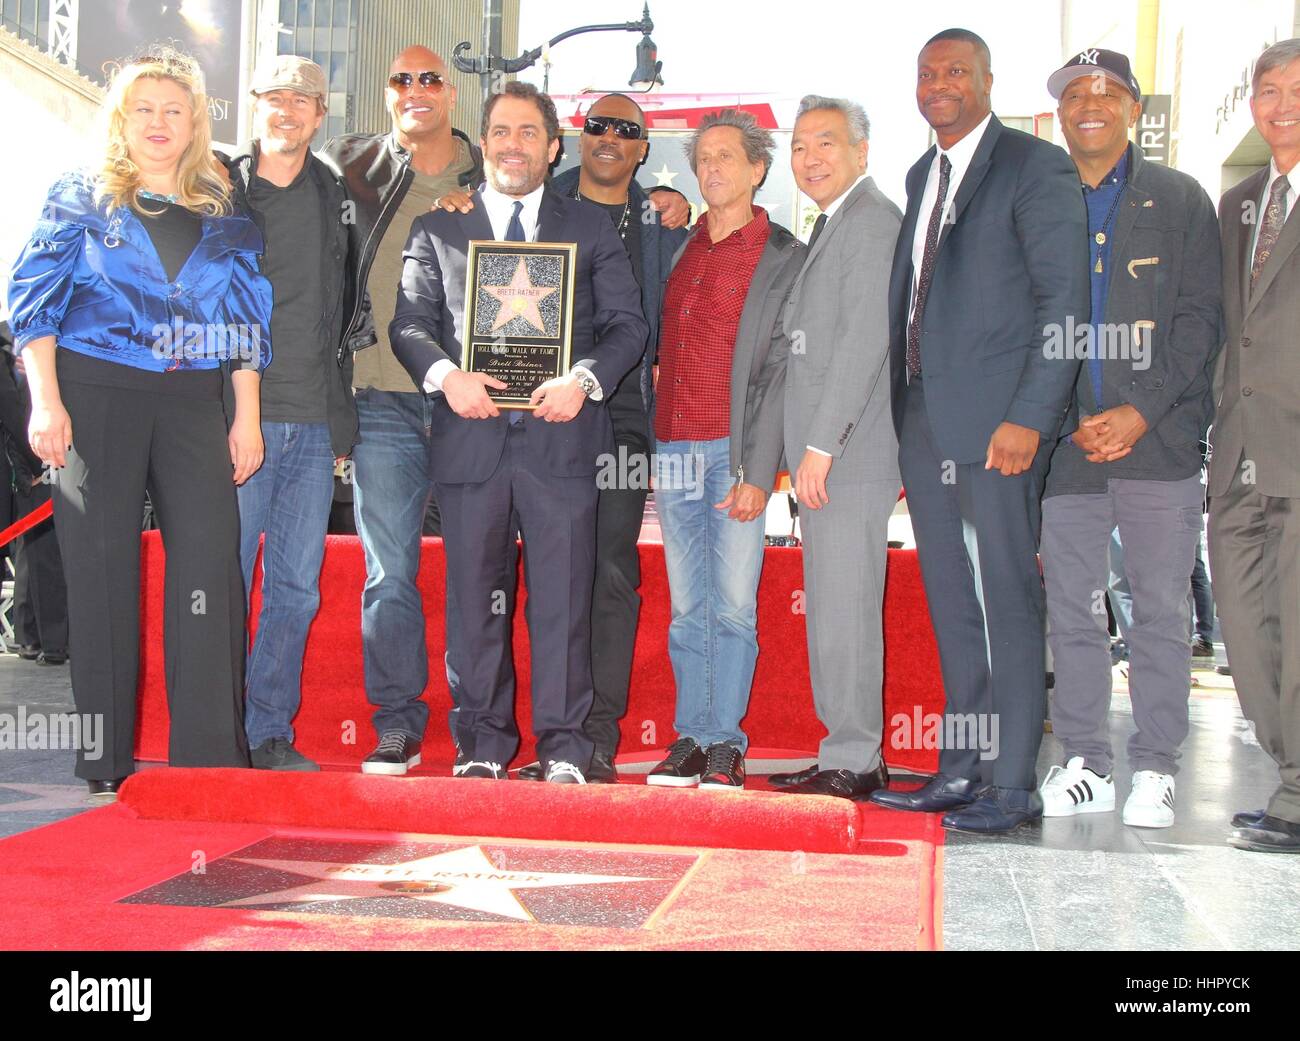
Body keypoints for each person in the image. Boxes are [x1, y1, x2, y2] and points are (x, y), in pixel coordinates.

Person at [6, 48, 272, 797]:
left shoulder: (224, 208)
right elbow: (34, 304)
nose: (159, 123)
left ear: (195, 123)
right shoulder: (78, 196)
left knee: (210, 572)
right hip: (93, 399)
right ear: (121, 118)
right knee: (100, 573)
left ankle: (211, 757)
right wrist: (45, 401)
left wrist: (244, 416)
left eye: (174, 109)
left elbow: (247, 321)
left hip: (195, 401)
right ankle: (106, 763)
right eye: (143, 109)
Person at [389, 81, 647, 782]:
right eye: (500, 130)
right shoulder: (438, 227)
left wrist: (585, 380)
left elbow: (629, 326)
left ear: (552, 146)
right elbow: (408, 324)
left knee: (564, 600)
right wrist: (448, 375)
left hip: (562, 443)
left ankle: (564, 747)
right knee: (475, 601)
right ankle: (481, 745)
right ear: (484, 142)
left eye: (528, 132)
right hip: (471, 442)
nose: (513, 144)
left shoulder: (589, 227)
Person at [869, 29, 1089, 832]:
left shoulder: (1035, 168)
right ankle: (961, 769)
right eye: (927, 72)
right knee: (954, 602)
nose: (939, 84)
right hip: (924, 416)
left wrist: (1029, 416)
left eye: (956, 71)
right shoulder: (922, 171)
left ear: (988, 82)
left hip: (1000, 425)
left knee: (1006, 598)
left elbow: (1064, 303)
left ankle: (1013, 784)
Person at [1035, 49, 1222, 829]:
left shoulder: (1179, 198)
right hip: (1070, 446)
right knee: (1073, 610)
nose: (1090, 104)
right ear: (1058, 113)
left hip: (1160, 442)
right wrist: (1061, 415)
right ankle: (1085, 760)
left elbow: (1199, 320)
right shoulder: (1040, 198)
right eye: (1074, 93)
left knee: (1157, 610)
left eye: (1106, 93)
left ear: (1133, 109)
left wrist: (1141, 410)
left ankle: (1155, 765)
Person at [321, 46, 482, 775]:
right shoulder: (351, 169)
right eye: (401, 79)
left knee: (479, 570)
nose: (416, 89)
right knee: (389, 571)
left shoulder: (493, 175)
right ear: (387, 94)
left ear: (452, 93)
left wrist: (661, 203)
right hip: (380, 397)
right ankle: (396, 721)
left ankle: (481, 721)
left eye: (430, 79)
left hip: (470, 401)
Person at [646, 109, 805, 791]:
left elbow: (780, 371)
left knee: (734, 605)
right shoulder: (683, 248)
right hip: (673, 446)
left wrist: (760, 466)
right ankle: (691, 735)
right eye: (703, 157)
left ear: (758, 168)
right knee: (688, 607)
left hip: (734, 451)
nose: (712, 168)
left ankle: (726, 744)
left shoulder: (781, 256)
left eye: (727, 157)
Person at [221, 56, 359, 770]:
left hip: (312, 423)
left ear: (320, 112)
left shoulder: (335, 192)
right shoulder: (220, 187)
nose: (287, 108)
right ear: (253, 106)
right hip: (232, 420)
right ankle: (220, 731)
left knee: (296, 591)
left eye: (302, 98)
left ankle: (269, 729)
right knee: (226, 581)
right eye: (274, 96)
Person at [766, 95, 901, 801]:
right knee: (831, 608)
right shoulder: (832, 223)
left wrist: (820, 445)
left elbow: (862, 343)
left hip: (847, 456)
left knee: (846, 607)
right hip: (825, 458)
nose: (810, 158)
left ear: (862, 150)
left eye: (826, 143)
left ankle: (855, 754)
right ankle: (843, 750)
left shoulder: (873, 221)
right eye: (800, 145)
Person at [1210, 38, 1300, 854]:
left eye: (1297, 89)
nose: (1281, 104)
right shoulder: (1238, 202)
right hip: (1235, 449)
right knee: (1243, 621)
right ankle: (1292, 765)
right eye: (1268, 90)